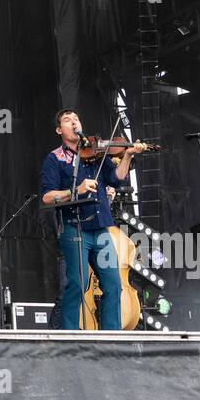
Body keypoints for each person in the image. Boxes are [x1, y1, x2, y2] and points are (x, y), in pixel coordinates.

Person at [40, 110, 146, 330]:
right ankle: (69, 335)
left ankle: (111, 338)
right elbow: (47, 197)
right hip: (74, 228)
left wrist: (127, 155)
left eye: (76, 119)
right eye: (68, 121)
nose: (74, 122)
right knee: (77, 284)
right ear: (59, 130)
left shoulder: (96, 153)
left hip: (101, 229)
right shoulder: (55, 158)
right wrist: (75, 190)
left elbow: (116, 178)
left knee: (114, 284)